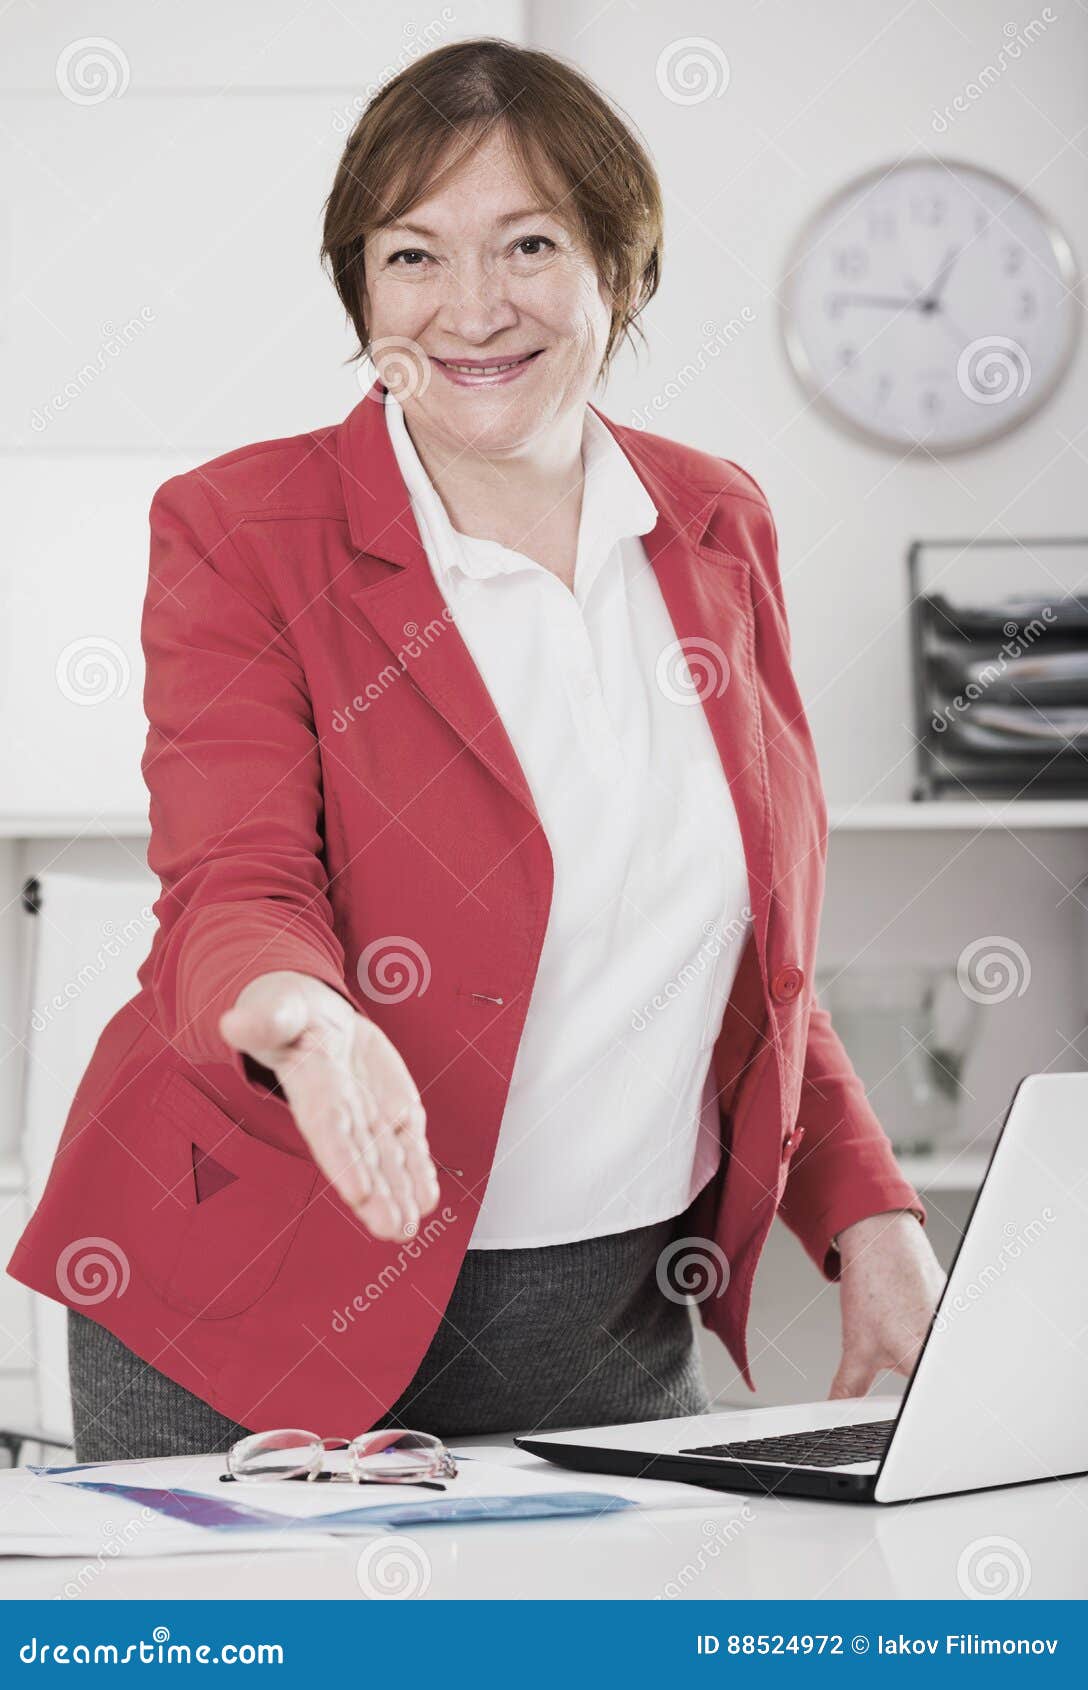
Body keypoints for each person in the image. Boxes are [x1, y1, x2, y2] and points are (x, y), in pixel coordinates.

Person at [8, 38, 944, 1462]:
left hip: (608, 1316)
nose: (473, 306)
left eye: (529, 243)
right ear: (362, 291)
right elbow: (235, 882)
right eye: (413, 255)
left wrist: (872, 1217)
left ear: (618, 269)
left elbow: (753, 950)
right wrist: (308, 1021)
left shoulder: (714, 521)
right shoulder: (246, 530)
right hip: (256, 1299)